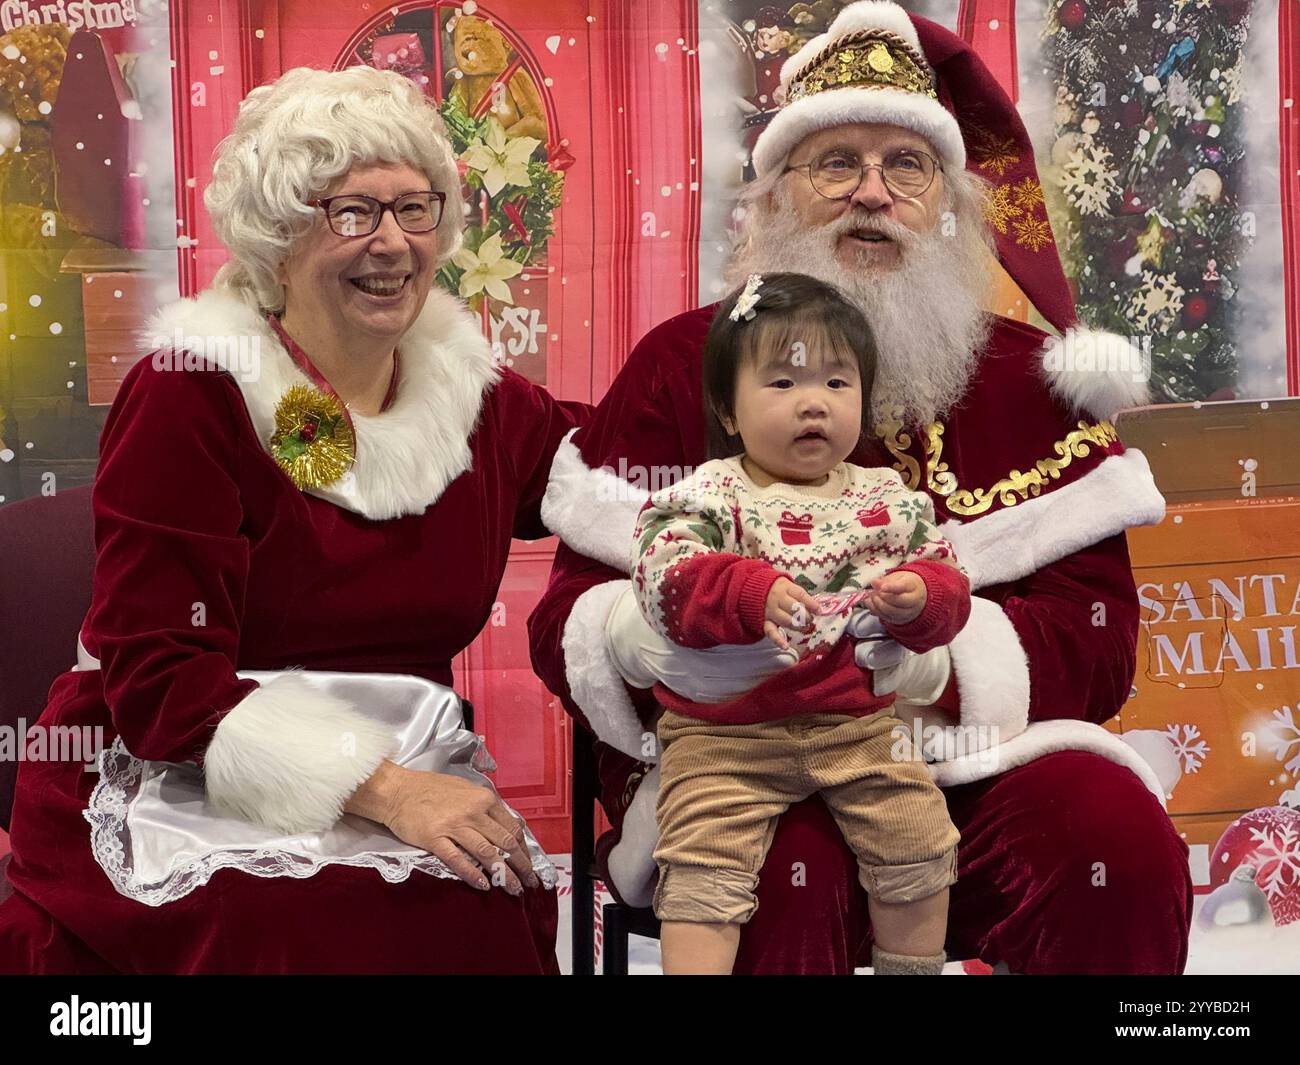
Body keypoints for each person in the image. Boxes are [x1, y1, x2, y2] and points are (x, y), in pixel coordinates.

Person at [529, 0, 1192, 974]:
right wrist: (677, 634)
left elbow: (1099, 646)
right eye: (835, 162)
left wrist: (932, 665)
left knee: (1111, 841)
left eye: (905, 166)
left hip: (972, 756)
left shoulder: (1031, 383)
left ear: (948, 202)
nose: (871, 194)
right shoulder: (682, 365)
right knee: (789, 874)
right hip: (739, 751)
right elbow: (567, 626)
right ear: (778, 196)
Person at [0, 65, 588, 974]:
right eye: (350, 212)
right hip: (188, 761)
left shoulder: (477, 398)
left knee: (481, 914)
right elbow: (159, 676)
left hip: (402, 754)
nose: (390, 242)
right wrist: (388, 793)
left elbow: (611, 464)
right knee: (290, 933)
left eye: (414, 208)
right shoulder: (192, 391)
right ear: (276, 237)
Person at [634, 272, 970, 975]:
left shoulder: (889, 499)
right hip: (725, 732)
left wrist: (923, 598)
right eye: (782, 384)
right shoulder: (708, 494)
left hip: (861, 725)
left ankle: (913, 966)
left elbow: (948, 584)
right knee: (701, 862)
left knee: (921, 838)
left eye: (837, 383)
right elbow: (664, 576)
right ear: (728, 408)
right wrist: (749, 591)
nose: (813, 402)